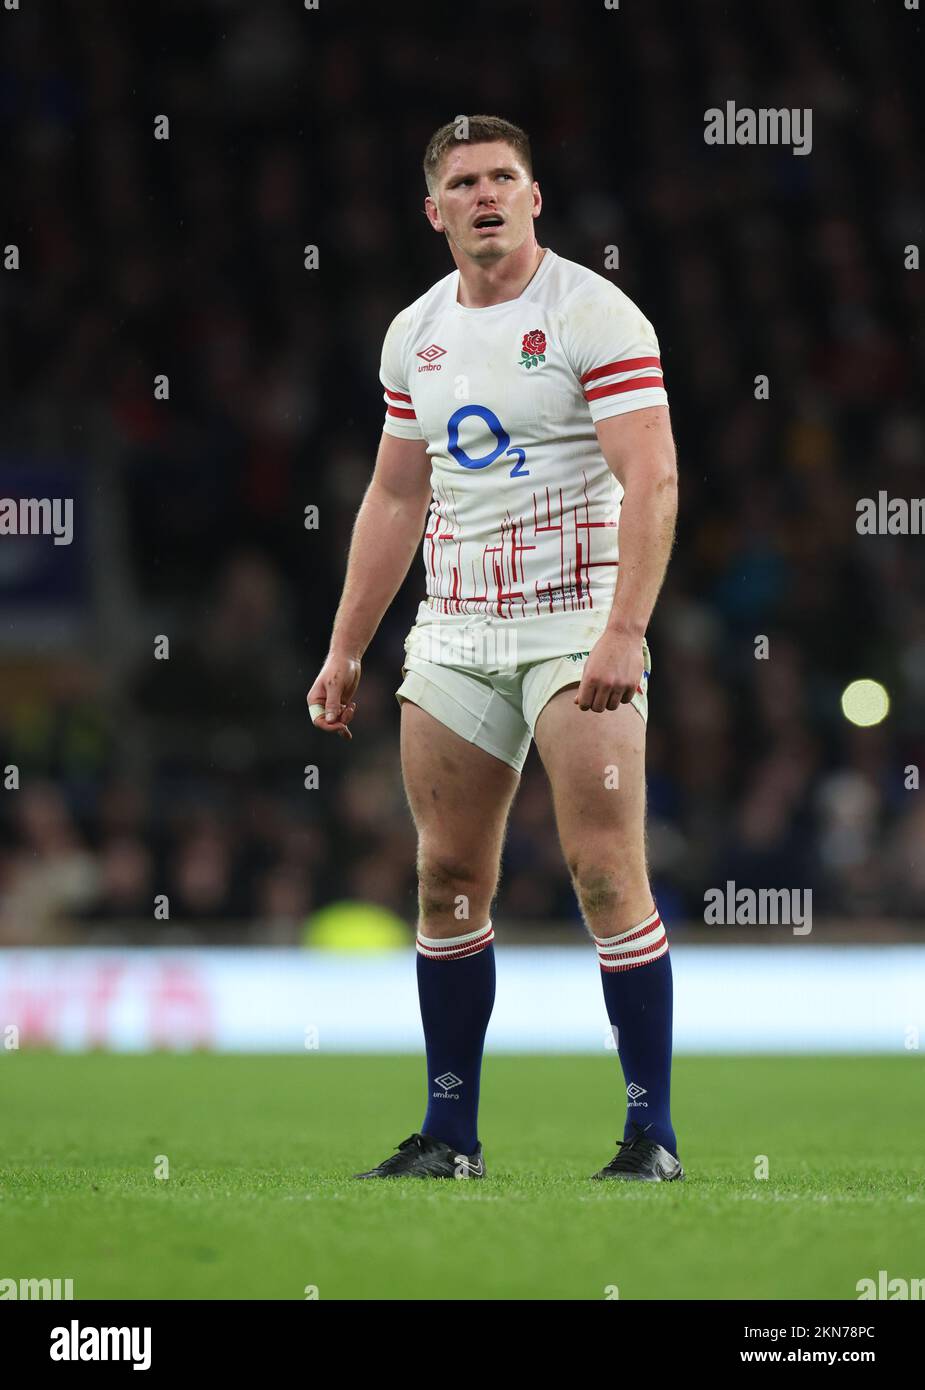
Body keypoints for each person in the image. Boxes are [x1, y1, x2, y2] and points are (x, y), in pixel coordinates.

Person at [307, 115, 681, 1182]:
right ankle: (450, 1137)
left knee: (605, 872)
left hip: (575, 627)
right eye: (462, 182)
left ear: (533, 197)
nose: (484, 195)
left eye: (502, 177)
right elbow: (393, 492)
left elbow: (651, 476)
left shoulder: (592, 313)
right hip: (458, 634)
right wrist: (345, 649)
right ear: (434, 211)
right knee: (446, 880)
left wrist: (624, 628)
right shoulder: (413, 335)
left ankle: (649, 1133)